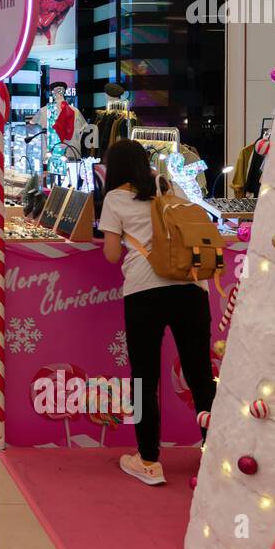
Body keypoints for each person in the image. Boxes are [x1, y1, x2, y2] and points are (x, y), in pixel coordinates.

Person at [98, 139, 214, 487]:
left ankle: (148, 460)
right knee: (199, 373)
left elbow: (110, 255)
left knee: (144, 378)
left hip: (145, 293)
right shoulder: (168, 185)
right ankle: (214, 452)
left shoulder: (115, 199)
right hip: (191, 288)